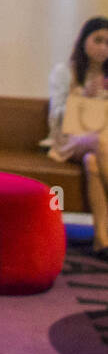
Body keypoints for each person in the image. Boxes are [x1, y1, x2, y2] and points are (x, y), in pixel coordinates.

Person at [46, 17, 108, 259]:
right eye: (98, 41)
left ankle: (102, 241)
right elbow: (56, 116)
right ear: (84, 41)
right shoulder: (65, 71)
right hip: (68, 140)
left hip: (101, 145)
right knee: (98, 143)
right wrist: (82, 96)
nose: (103, 48)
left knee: (93, 161)